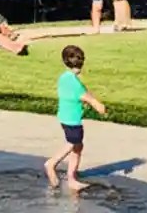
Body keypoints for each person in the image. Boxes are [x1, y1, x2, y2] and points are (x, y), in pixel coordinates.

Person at [43, 45, 107, 192]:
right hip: (73, 120)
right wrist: (100, 107)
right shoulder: (76, 84)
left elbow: (72, 95)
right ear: (82, 62)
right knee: (73, 144)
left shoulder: (64, 78)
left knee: (77, 146)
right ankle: (53, 165)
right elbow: (89, 98)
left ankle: (71, 175)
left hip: (64, 117)